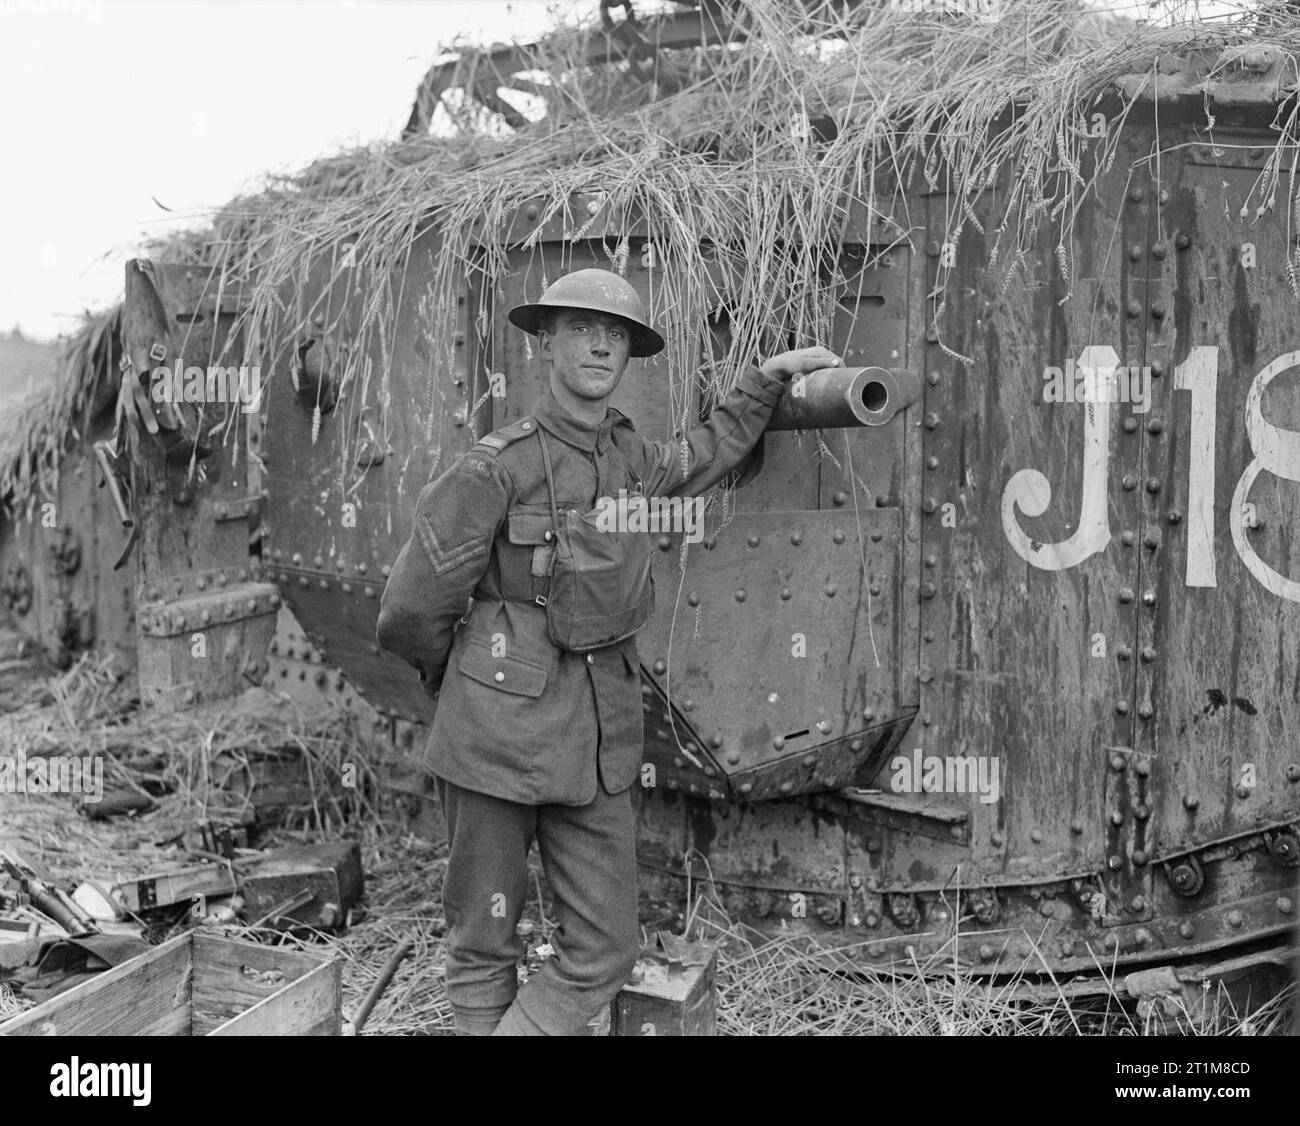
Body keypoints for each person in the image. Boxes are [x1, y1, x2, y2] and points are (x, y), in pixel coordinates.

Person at [377, 267, 839, 1035]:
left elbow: (702, 453)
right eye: (582, 328)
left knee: (604, 949)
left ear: (629, 354)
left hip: (595, 741)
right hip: (493, 735)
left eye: (616, 333)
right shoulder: (496, 466)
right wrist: (456, 681)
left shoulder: (629, 460)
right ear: (545, 342)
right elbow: (408, 611)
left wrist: (762, 385)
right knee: (483, 943)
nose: (600, 344)